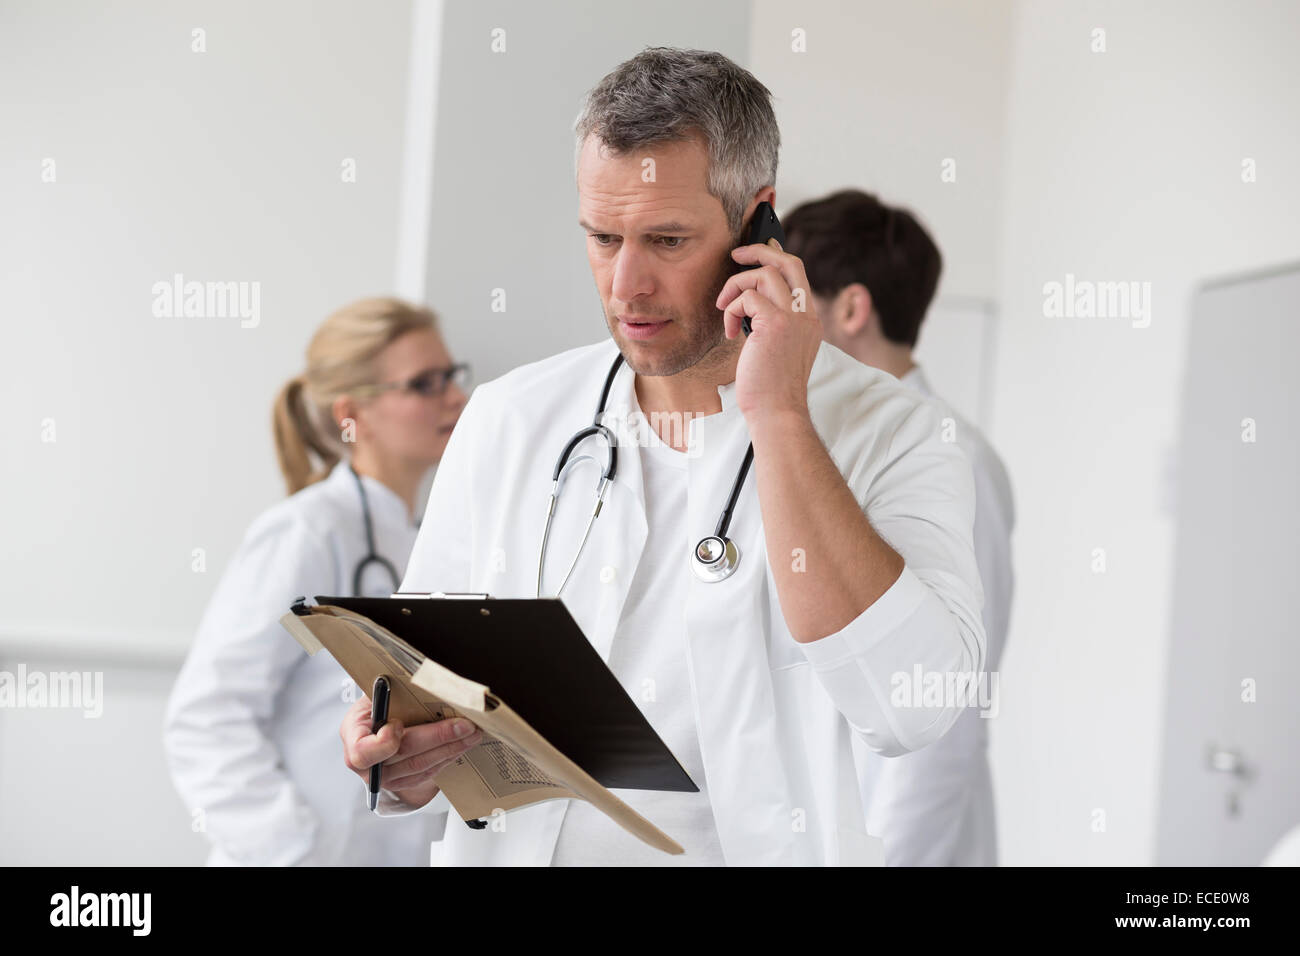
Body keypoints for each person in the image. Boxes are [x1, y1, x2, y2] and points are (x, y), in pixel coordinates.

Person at [340, 48, 986, 866]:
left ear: (757, 225)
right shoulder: (511, 420)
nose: (626, 286)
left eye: (667, 240)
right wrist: (397, 758)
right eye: (603, 237)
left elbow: (911, 709)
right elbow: (419, 685)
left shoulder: (892, 435)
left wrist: (779, 413)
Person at [163, 297, 470, 865]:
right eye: (425, 383)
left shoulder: (433, 539)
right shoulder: (307, 531)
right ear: (352, 413)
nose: (456, 397)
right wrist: (293, 848)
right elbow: (206, 716)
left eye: (452, 375)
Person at [782, 189, 1016, 865]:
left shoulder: (954, 460)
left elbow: (946, 719)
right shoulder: (829, 446)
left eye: (795, 300)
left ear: (851, 309)